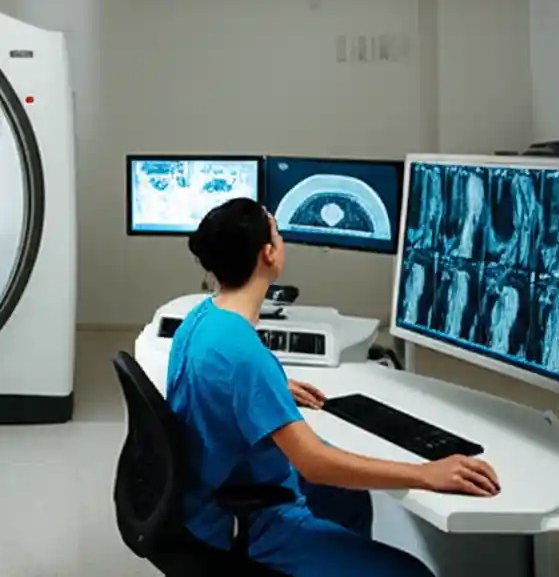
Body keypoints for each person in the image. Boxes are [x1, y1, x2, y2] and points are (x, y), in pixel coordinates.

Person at [167, 198, 500, 577]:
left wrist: (271, 387)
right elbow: (316, 465)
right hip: (247, 521)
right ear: (269, 254)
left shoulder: (202, 317)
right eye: (278, 233)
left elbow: (216, 383)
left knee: (351, 500)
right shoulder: (244, 355)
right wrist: (427, 473)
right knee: (413, 573)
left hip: (205, 495)